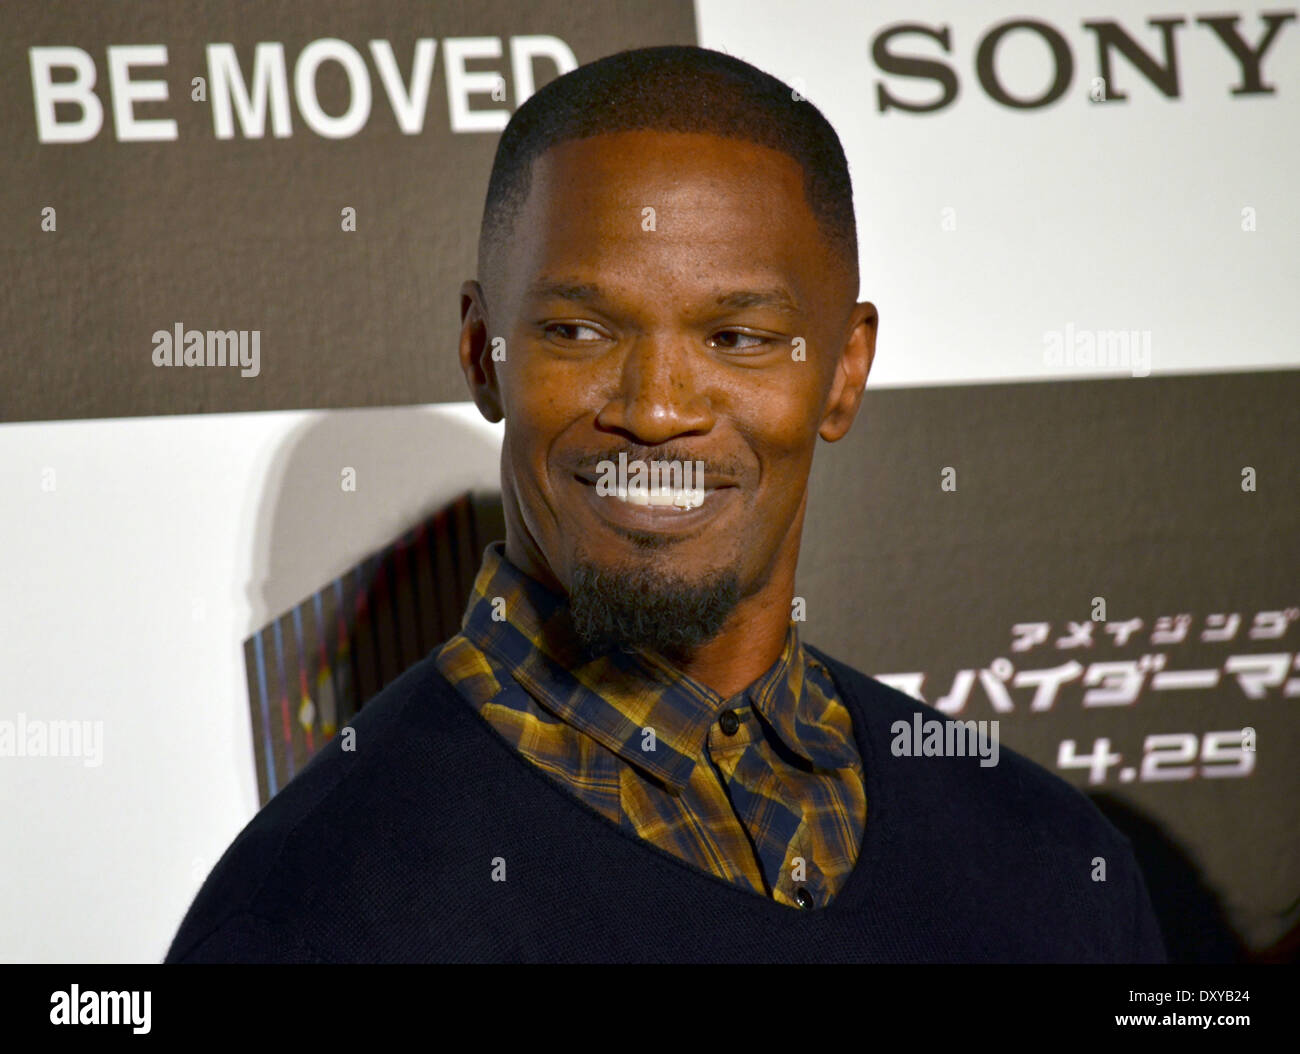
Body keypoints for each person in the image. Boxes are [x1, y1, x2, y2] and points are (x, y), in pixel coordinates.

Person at [165, 45, 1165, 963]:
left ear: (844, 372)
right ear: (483, 353)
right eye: (579, 330)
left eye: (737, 339)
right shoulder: (311, 911)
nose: (655, 410)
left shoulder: (1046, 857)